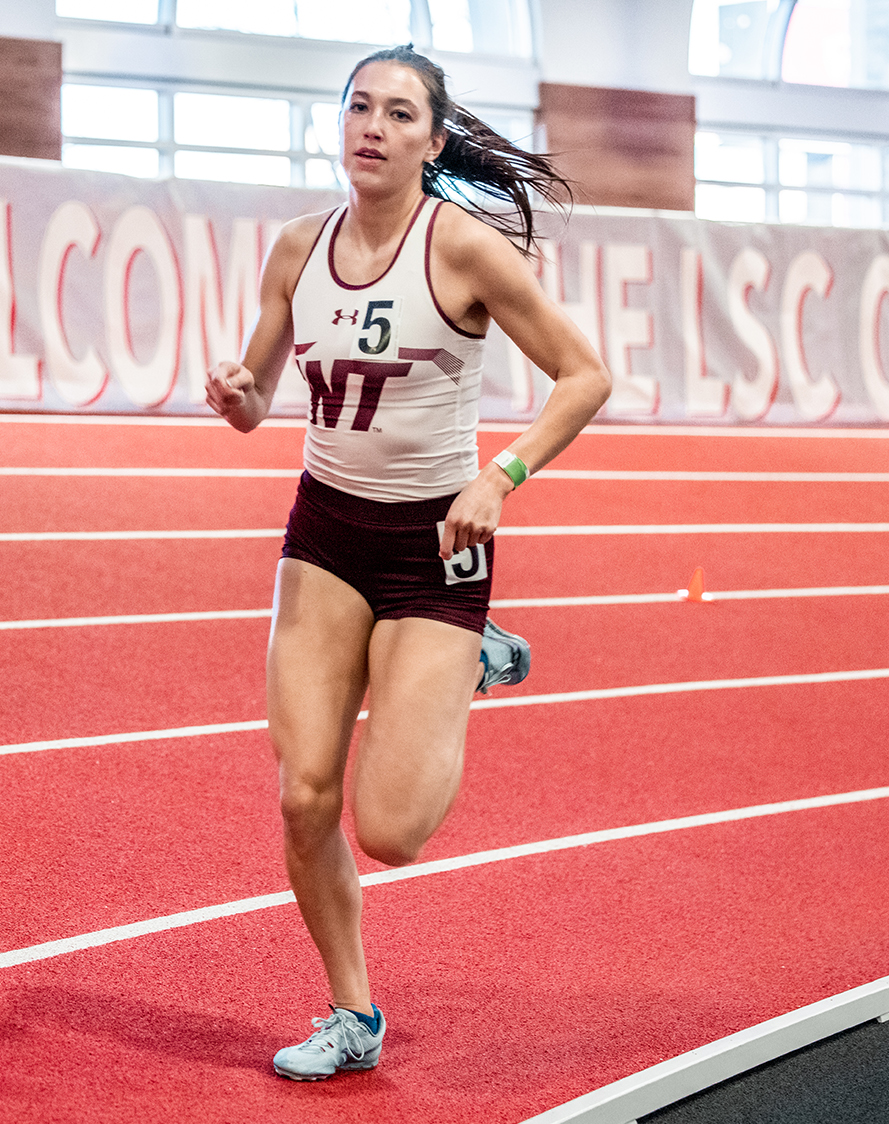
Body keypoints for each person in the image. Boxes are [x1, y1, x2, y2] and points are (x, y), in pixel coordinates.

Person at [204, 44, 612, 1081]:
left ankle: (470, 650)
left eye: (396, 113)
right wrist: (236, 397)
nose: (371, 127)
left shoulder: (462, 248)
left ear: (432, 142)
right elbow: (256, 399)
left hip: (439, 544)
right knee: (303, 796)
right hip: (325, 534)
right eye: (357, 107)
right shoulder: (299, 248)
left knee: (388, 831)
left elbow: (583, 374)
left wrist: (500, 475)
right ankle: (352, 1013)